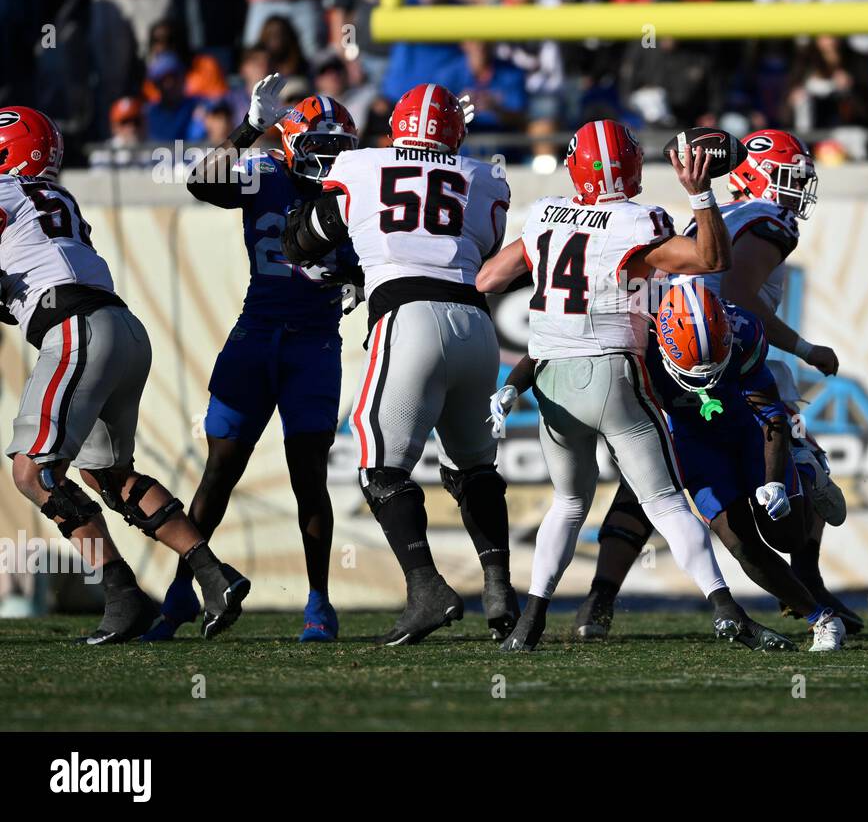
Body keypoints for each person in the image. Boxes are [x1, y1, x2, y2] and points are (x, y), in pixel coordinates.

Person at [476, 121, 784, 652]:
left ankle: (530, 623)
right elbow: (712, 259)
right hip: (614, 370)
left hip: (550, 379)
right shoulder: (638, 222)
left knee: (568, 504)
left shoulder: (547, 212)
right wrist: (701, 192)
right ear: (633, 166)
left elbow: (487, 280)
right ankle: (727, 612)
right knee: (665, 502)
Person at [0, 106, 250, 643]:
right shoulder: (54, 198)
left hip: (74, 328)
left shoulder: (8, 192)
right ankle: (215, 574)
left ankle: (122, 595)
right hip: (119, 327)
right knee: (107, 475)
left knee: (33, 472)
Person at [280, 83, 518, 645]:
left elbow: (302, 243)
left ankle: (427, 589)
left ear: (395, 127)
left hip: (408, 317)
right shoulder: (484, 176)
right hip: (477, 325)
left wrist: (349, 265)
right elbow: (481, 246)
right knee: (474, 468)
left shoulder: (362, 166)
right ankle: (500, 588)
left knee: (381, 468)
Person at [493, 283, 844, 650]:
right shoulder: (635, 335)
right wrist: (513, 386)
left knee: (788, 536)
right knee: (742, 544)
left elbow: (770, 414)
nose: (703, 380)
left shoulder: (744, 332)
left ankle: (804, 466)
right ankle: (823, 620)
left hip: (750, 431)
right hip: (694, 442)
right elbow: (551, 351)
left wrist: (773, 483)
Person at [144, 79, 361, 642]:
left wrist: (355, 279)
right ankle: (182, 592)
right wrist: (247, 128)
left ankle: (318, 602)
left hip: (314, 343)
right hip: (257, 334)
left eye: (338, 149)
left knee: (308, 476)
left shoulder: (356, 188)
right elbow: (199, 182)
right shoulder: (263, 170)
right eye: (319, 146)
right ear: (289, 142)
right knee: (220, 472)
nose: (330, 159)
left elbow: (388, 250)